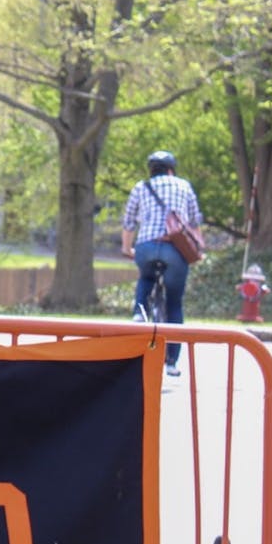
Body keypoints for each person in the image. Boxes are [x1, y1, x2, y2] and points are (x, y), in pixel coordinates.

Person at [120, 150, 204, 377]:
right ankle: (171, 363)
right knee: (174, 303)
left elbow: (128, 222)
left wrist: (128, 249)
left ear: (151, 171)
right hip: (175, 250)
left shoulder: (141, 187)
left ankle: (139, 311)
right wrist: (198, 249)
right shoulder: (184, 186)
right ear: (171, 169)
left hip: (146, 246)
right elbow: (195, 221)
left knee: (146, 277)